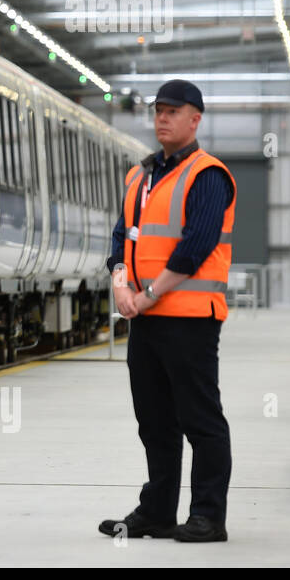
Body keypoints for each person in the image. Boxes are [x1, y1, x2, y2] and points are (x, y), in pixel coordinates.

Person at [98, 79, 237, 543]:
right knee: (154, 420)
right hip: (146, 319)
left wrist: (147, 294)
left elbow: (195, 247)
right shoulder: (140, 176)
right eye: (159, 109)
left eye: (173, 111)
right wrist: (121, 284)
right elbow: (121, 239)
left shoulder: (207, 175)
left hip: (191, 317)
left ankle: (207, 517)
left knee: (200, 419)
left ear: (195, 119)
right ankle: (157, 511)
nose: (162, 117)